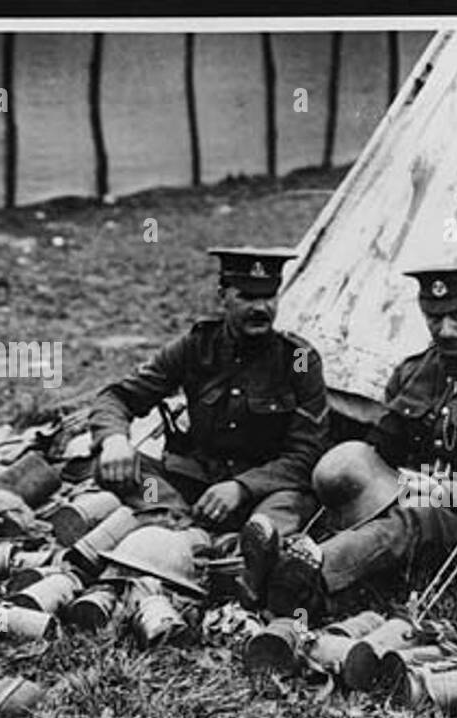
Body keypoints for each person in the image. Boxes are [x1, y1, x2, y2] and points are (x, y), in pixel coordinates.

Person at [261, 263, 457, 619]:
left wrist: (432, 490)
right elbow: (383, 451)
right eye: (433, 318)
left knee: (411, 519)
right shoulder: (412, 372)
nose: (445, 330)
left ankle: (308, 577)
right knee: (342, 482)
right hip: (399, 499)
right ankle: (270, 561)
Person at [89, 247, 330, 604]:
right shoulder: (195, 347)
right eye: (247, 297)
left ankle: (244, 556)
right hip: (192, 490)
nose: (260, 309)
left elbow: (308, 452)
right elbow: (117, 397)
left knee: (287, 505)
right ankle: (185, 530)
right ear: (223, 297)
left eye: (268, 297)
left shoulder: (297, 360)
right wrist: (113, 441)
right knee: (123, 470)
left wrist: (242, 487)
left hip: (265, 492)